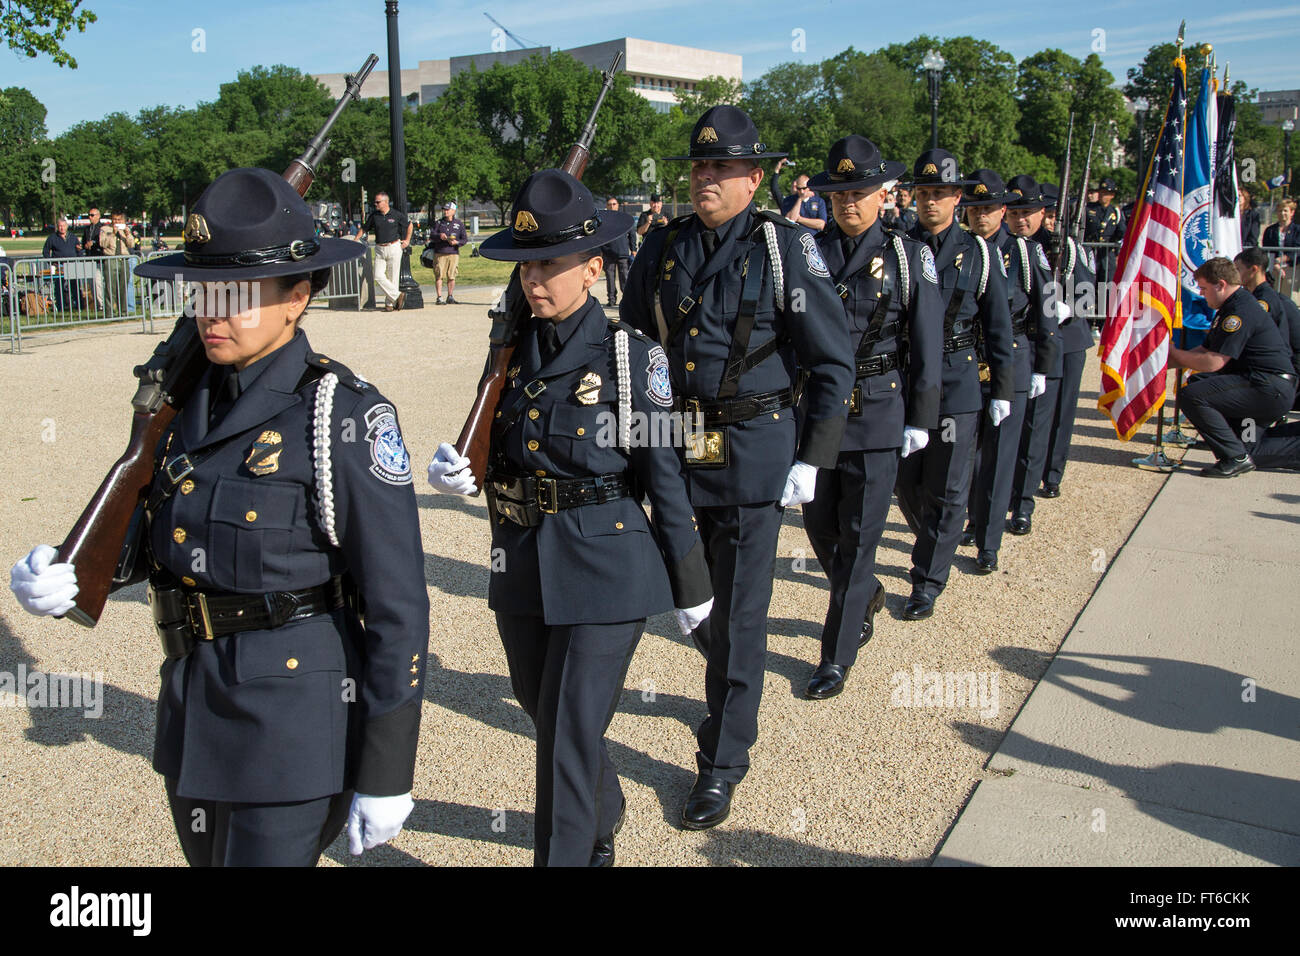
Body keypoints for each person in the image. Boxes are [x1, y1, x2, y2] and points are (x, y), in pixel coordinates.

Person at [9, 167, 428, 865]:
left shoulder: (341, 415)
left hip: (292, 726)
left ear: (299, 296)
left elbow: (398, 605)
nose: (212, 311)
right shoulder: (186, 406)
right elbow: (156, 536)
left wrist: (387, 772)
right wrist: (73, 570)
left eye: (236, 294)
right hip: (194, 710)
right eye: (202, 290)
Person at [427, 168, 712, 866]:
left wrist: (691, 581)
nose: (535, 280)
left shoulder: (632, 357)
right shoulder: (510, 352)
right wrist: (465, 471)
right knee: (536, 700)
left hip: (606, 562)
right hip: (521, 558)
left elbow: (664, 475)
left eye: (551, 264)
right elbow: (499, 446)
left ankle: (572, 851)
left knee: (567, 729)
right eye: (526, 266)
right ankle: (603, 808)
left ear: (592, 269)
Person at [622, 105, 853, 828]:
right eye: (698, 167)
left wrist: (813, 457)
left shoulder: (785, 249)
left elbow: (833, 361)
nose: (706, 179)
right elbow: (631, 346)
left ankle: (722, 759)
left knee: (743, 616)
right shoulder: (662, 246)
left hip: (754, 455)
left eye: (721, 168)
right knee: (689, 594)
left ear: (756, 176)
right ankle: (726, 679)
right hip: (675, 447)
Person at [802, 135, 942, 698]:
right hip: (819, 414)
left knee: (860, 537)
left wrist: (921, 417)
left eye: (858, 192)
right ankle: (865, 594)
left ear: (882, 194)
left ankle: (835, 655)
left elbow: (927, 344)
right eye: (838, 194)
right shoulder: (807, 253)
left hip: (880, 409)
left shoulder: (910, 256)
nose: (847, 204)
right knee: (821, 527)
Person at [895, 149, 1014, 620]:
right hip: (905, 381)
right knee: (907, 484)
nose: (930, 202)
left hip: (957, 379)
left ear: (957, 198)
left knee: (947, 487)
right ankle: (935, 537)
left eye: (939, 194)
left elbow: (999, 328)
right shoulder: (899, 245)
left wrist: (1002, 389)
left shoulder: (978, 254)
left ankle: (926, 580)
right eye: (923, 193)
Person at [960, 170, 1055, 573]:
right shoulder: (959, 249)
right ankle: (973, 517)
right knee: (969, 454)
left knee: (999, 456)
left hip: (1012, 358)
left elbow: (1045, 308)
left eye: (988, 208)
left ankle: (990, 540)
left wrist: (1043, 365)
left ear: (1003, 210)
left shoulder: (1023, 253)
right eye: (974, 207)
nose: (980, 215)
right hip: (967, 359)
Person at [1169, 257, 1297, 476]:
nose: (1201, 294)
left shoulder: (1240, 311)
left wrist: (1172, 354)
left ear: (1221, 284)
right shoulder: (1232, 306)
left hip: (1266, 390)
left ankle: (1234, 457)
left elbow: (1213, 362)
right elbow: (1204, 350)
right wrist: (1165, 361)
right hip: (1259, 392)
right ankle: (1241, 452)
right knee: (1251, 449)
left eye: (1204, 288)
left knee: (1193, 395)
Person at [1037, 183, 1097, 500]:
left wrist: (1065, 307)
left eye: (1052, 216)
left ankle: (1052, 473)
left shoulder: (1072, 249)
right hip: (1034, 340)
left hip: (1068, 338)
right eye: (1044, 215)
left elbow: (1089, 296)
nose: (1048, 222)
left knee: (1061, 412)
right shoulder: (1027, 246)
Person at [1235, 246, 1300, 400]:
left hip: (1284, 369)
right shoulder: (1258, 296)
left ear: (1254, 270)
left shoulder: (1263, 301)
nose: (1235, 274)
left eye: (1238, 269)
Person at [363, 191, 411, 312]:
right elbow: (365, 228)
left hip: (394, 247)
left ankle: (389, 304)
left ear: (385, 202)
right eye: (375, 202)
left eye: (378, 202)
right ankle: (398, 295)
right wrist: (355, 240)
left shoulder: (396, 214)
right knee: (378, 276)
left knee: (393, 277)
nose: (375, 204)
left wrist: (407, 240)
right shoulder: (374, 216)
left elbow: (409, 225)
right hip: (379, 249)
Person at [769, 158, 827, 232]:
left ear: (809, 187)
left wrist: (800, 219)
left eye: (804, 188)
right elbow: (790, 220)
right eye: (799, 189)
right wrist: (799, 200)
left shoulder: (819, 201)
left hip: (814, 238)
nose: (802, 191)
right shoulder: (789, 201)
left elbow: (821, 224)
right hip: (795, 237)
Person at [599, 197, 636, 306]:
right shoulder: (602, 220)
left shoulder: (624, 218)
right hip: (608, 253)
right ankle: (611, 299)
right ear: (606, 206)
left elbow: (632, 234)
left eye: (614, 204)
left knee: (624, 278)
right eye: (610, 204)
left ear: (618, 205)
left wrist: (633, 249)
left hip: (623, 253)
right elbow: (599, 236)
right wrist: (601, 251)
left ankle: (627, 299)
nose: (612, 206)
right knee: (610, 279)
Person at [430, 201, 468, 305]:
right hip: (440, 253)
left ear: (453, 211)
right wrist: (439, 236)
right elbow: (432, 235)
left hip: (453, 253)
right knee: (439, 275)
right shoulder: (438, 223)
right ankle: (439, 297)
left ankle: (450, 296)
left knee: (452, 276)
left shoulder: (459, 224)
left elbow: (464, 239)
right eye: (444, 210)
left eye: (447, 210)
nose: (445, 212)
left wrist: (457, 242)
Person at [99, 211, 137, 315]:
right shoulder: (105, 229)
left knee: (123, 287)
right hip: (111, 259)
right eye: (115, 219)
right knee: (110, 287)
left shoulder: (125, 230)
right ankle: (109, 313)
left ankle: (123, 312)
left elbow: (131, 244)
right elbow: (103, 244)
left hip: (124, 259)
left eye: (119, 220)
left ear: (124, 221)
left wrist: (128, 233)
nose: (117, 222)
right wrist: (113, 233)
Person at [41, 217, 82, 311]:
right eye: (59, 226)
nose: (62, 228)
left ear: (67, 226)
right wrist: (52, 263)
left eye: (63, 226)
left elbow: (79, 249)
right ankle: (61, 307)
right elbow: (45, 251)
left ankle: (79, 306)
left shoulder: (73, 237)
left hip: (72, 265)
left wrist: (79, 257)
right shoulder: (52, 238)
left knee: (75, 286)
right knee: (59, 288)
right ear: (57, 227)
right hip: (59, 267)